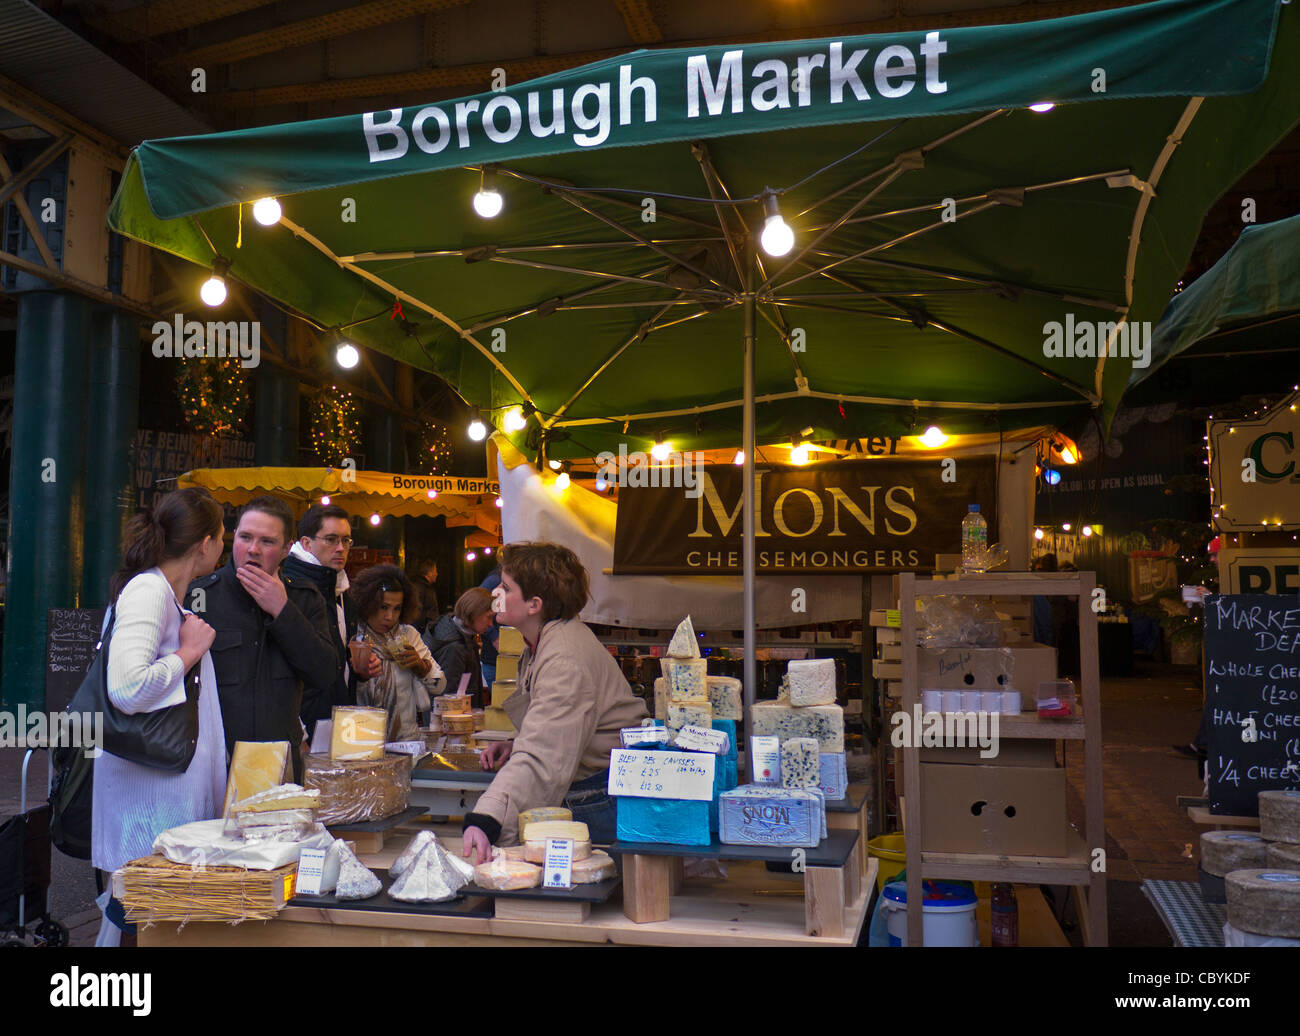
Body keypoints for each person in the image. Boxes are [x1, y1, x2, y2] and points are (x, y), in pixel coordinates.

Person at [92, 487, 228, 946]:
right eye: (224, 536)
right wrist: (189, 653)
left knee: (153, 921)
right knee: (146, 924)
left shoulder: (163, 593)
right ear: (206, 543)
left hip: (161, 793)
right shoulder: (148, 591)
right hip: (149, 802)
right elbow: (127, 687)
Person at [462, 542, 649, 860]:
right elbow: (554, 726)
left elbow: (541, 757)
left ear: (535, 604)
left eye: (505, 588)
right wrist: (515, 742)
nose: (495, 595)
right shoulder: (544, 641)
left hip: (600, 801)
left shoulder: (563, 658)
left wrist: (486, 820)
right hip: (595, 790)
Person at [187, 495, 339, 782]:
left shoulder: (303, 598)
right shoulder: (201, 595)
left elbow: (324, 673)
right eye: (245, 537)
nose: (253, 549)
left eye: (267, 542)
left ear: (286, 549)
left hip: (280, 760)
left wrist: (282, 611)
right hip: (216, 761)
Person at [284, 503, 380, 734]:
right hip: (304, 727)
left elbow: (335, 661)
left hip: (337, 720)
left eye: (346, 540)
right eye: (331, 539)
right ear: (306, 543)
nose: (340, 548)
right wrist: (299, 733)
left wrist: (360, 669)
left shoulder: (340, 589)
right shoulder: (289, 589)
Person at [352, 564, 446, 741]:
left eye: (397, 609)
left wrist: (421, 668)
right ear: (368, 604)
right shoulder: (354, 636)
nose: (390, 616)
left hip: (406, 738)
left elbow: (439, 685)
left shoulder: (408, 635)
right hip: (362, 736)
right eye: (383, 607)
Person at [423, 587, 494, 706]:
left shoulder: (462, 637)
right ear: (474, 613)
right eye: (489, 617)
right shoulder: (454, 647)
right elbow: (446, 698)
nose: (491, 624)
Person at [478, 566, 503, 686]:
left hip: (502, 658)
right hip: (494, 660)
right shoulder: (495, 580)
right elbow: (476, 607)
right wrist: (494, 636)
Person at [410, 558, 440, 631]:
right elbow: (417, 609)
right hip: (422, 630)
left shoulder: (426, 587)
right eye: (435, 571)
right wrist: (423, 627)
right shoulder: (420, 587)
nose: (437, 574)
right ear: (429, 573)